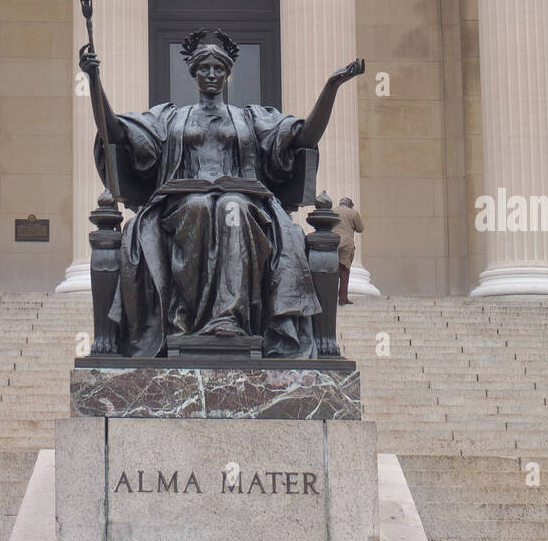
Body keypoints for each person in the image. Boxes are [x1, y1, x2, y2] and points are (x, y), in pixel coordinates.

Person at [78, 27, 364, 358]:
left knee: (232, 207)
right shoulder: (171, 118)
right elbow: (116, 132)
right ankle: (186, 320)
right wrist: (94, 81)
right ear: (193, 73)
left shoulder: (251, 118)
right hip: (181, 201)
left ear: (228, 73)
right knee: (199, 206)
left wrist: (331, 88)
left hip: (244, 200)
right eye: (204, 68)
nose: (211, 74)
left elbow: (303, 137)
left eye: (218, 69)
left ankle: (229, 319)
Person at [333, 197, 364, 306]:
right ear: (350, 205)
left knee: (332, 271)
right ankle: (343, 298)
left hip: (333, 242)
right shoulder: (353, 213)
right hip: (347, 244)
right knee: (344, 271)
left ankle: (331, 297)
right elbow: (360, 228)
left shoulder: (332, 211)